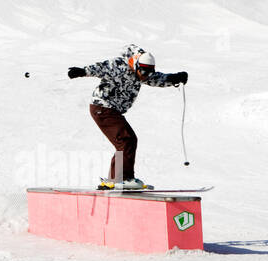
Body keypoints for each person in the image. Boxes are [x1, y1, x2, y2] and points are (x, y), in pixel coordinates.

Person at [67, 44, 188, 189]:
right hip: (103, 106)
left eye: (148, 73)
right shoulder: (119, 65)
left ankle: (116, 179)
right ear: (136, 65)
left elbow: (157, 79)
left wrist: (175, 78)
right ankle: (121, 179)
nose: (145, 76)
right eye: (143, 71)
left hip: (112, 110)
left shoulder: (143, 73)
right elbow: (101, 68)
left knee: (125, 141)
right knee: (126, 139)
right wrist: (82, 71)